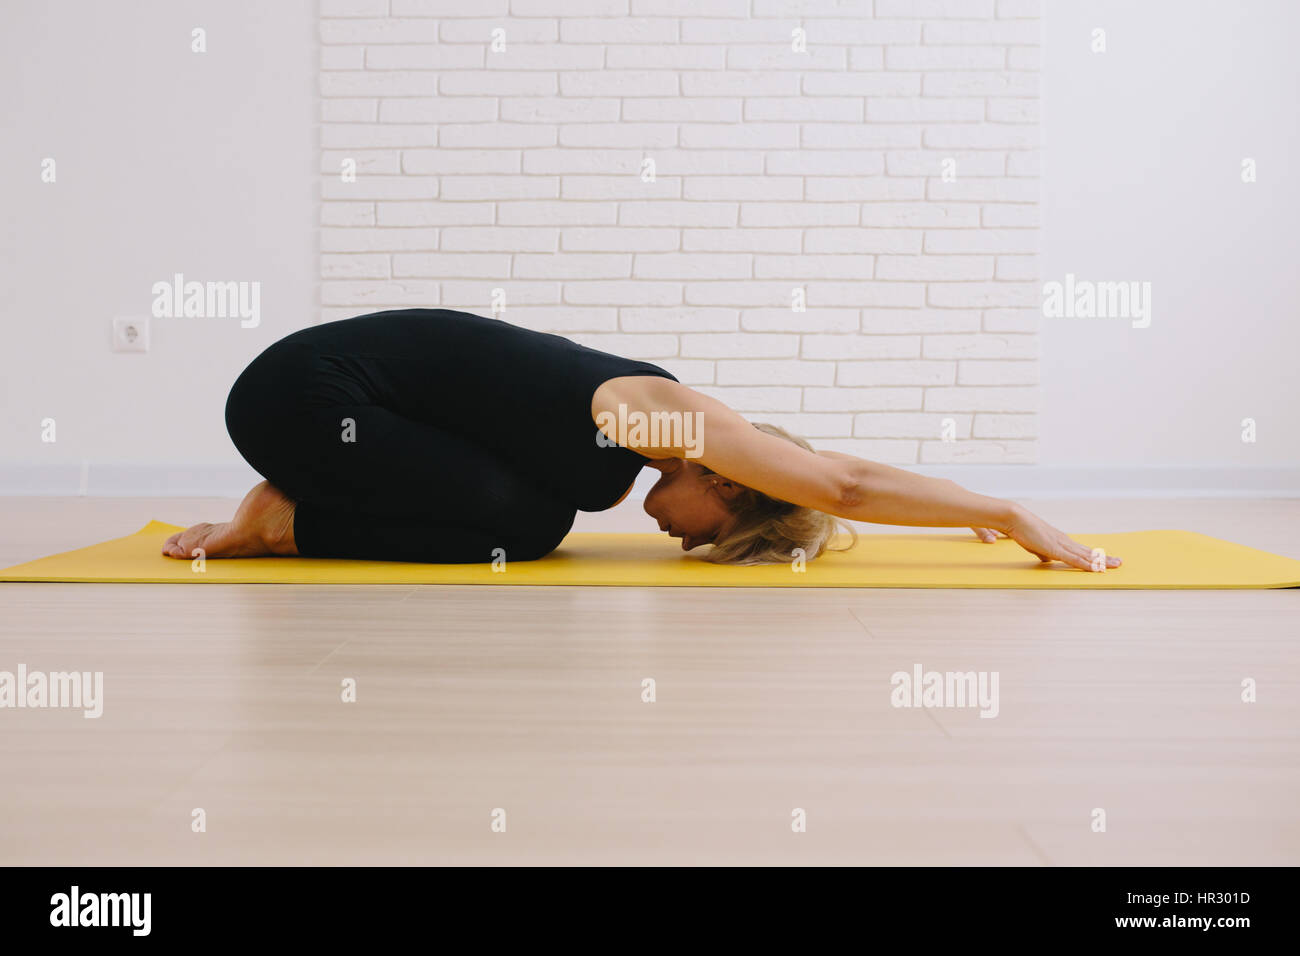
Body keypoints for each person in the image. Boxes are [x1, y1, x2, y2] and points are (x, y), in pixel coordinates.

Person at [162, 308, 1120, 571]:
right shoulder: (655, 416)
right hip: (302, 396)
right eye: (711, 531)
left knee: (533, 519)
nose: (685, 536)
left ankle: (297, 513)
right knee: (530, 525)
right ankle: (277, 524)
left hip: (345, 407)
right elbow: (847, 485)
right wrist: (998, 509)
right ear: (735, 481)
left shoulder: (622, 453)